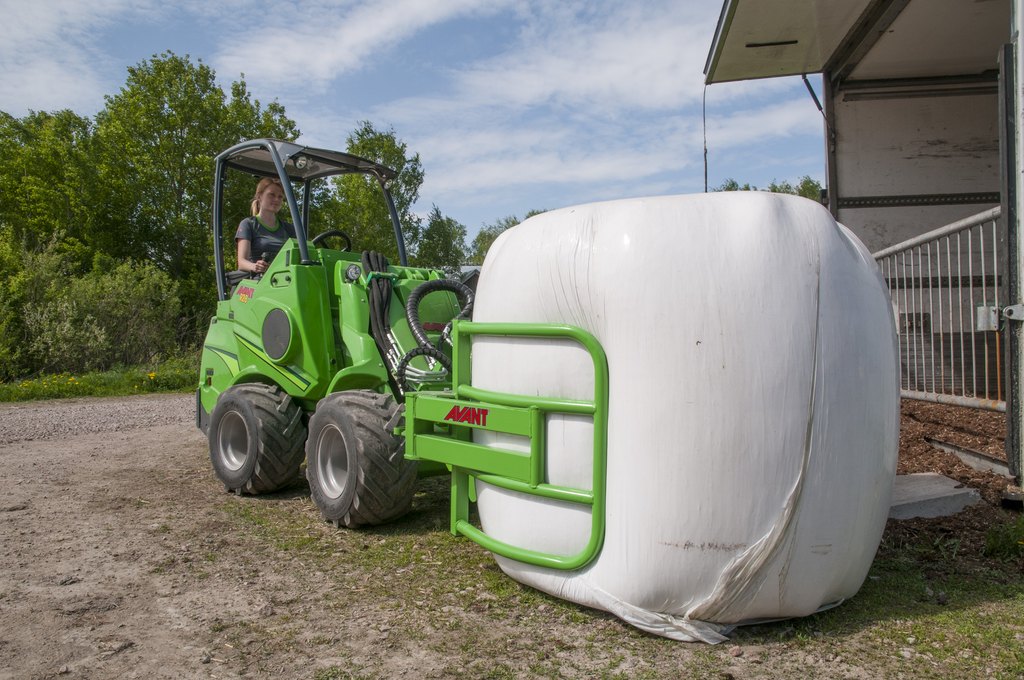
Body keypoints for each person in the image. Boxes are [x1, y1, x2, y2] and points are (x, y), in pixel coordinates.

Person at [235, 178, 297, 275]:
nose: (276, 199)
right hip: (258, 281)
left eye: (280, 197)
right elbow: (242, 263)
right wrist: (255, 266)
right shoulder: (248, 224)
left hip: (285, 279)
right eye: (271, 195)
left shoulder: (289, 229)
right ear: (259, 196)